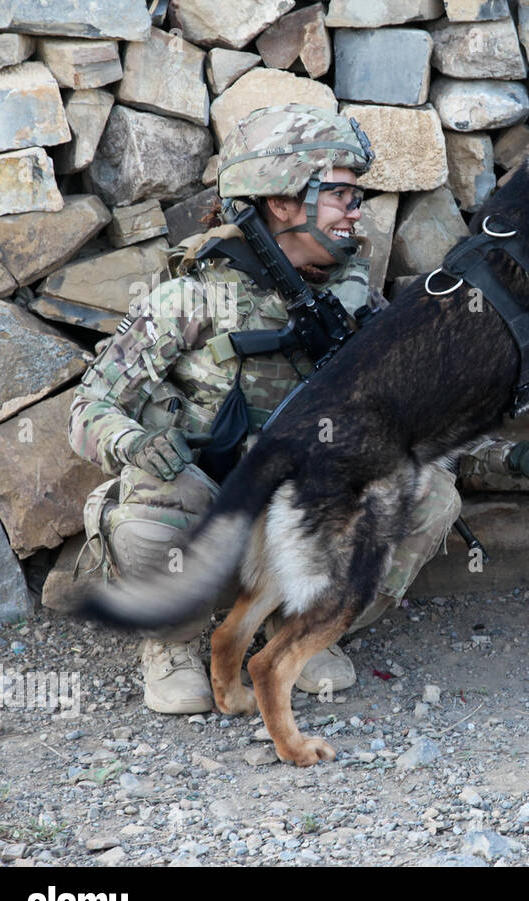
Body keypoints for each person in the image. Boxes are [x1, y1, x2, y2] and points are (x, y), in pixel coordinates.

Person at [68, 105, 461, 715]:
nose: (355, 210)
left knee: (428, 490)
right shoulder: (192, 298)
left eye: (357, 196)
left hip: (302, 522)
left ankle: (305, 630)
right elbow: (88, 409)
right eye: (338, 194)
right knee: (155, 490)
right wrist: (136, 443)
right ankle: (171, 644)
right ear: (281, 202)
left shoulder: (357, 304)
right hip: (209, 512)